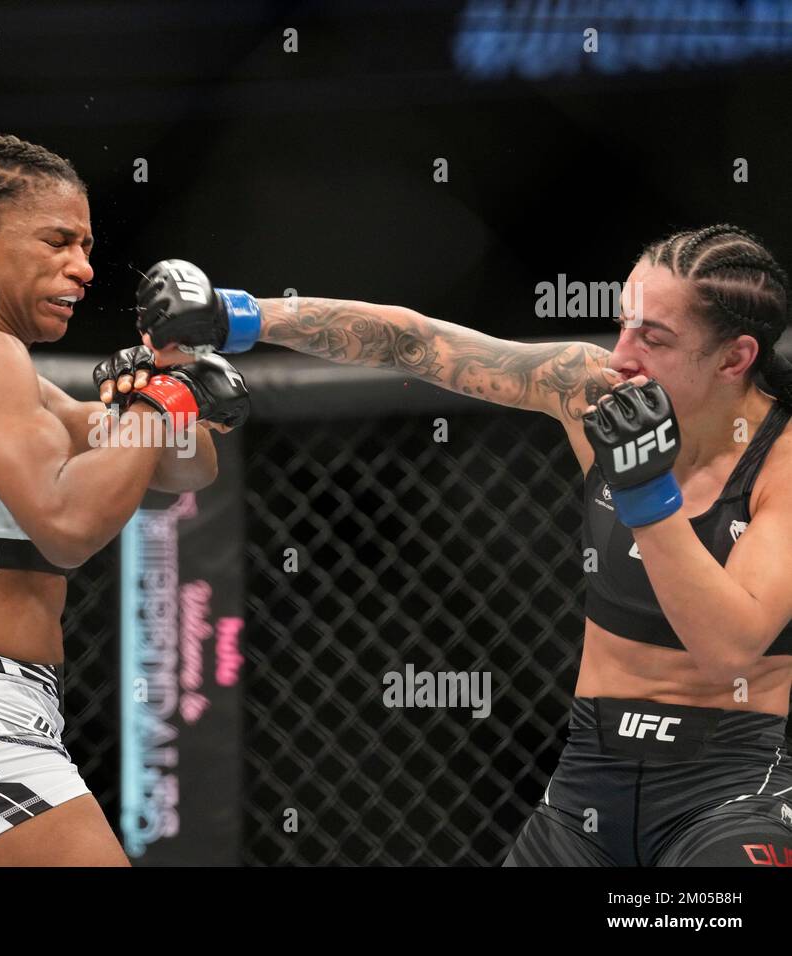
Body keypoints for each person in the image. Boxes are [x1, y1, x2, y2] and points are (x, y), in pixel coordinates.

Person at [135, 226, 792, 865]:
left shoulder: (783, 467)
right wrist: (236, 317)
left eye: (653, 338)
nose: (620, 355)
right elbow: (411, 342)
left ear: (735, 358)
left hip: (732, 789)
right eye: (622, 324)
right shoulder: (593, 392)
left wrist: (646, 491)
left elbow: (728, 649)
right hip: (589, 786)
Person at [0, 132, 249, 866]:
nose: (84, 267)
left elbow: (186, 470)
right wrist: (162, 400)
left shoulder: (3, 382)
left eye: (88, 246)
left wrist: (170, 378)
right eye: (58, 241)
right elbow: (68, 527)